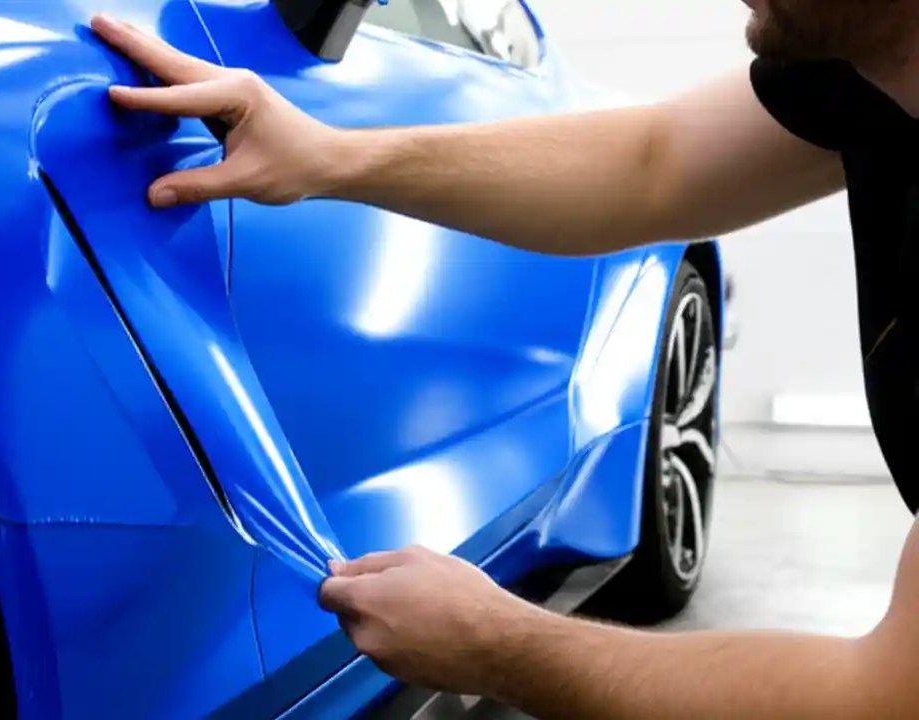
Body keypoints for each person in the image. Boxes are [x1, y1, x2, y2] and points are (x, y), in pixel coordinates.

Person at [88, 0, 919, 716]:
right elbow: (654, 166)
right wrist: (329, 155)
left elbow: (887, 698)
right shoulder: (863, 71)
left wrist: (498, 644)